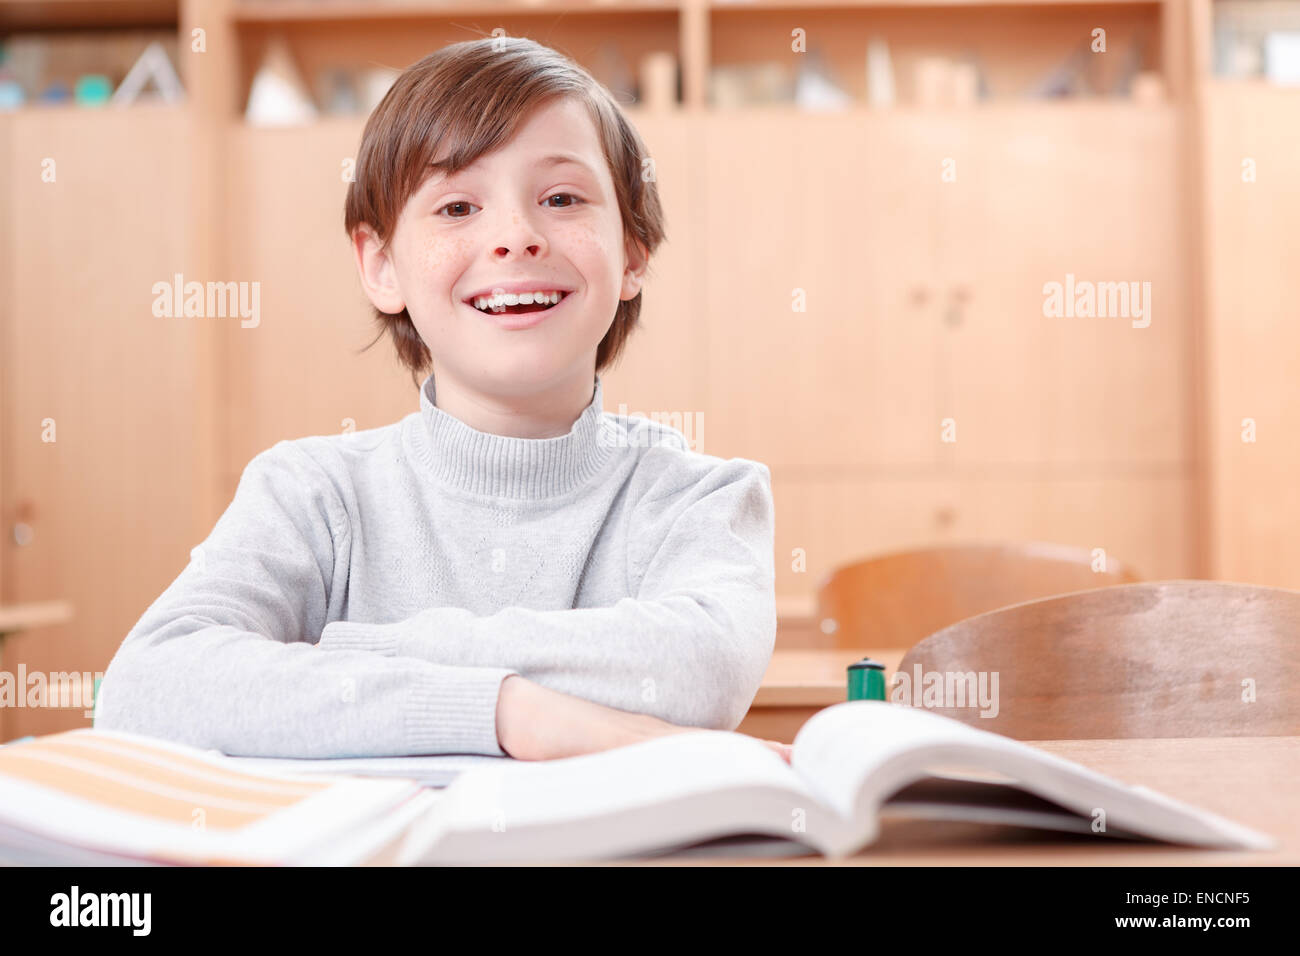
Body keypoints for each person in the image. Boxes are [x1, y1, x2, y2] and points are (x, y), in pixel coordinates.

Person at [98, 37, 790, 765]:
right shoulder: (310, 494)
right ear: (380, 265)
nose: (515, 237)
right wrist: (505, 712)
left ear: (634, 255)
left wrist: (347, 652)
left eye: (561, 198)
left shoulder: (701, 498)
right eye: (457, 206)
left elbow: (699, 669)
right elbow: (146, 687)